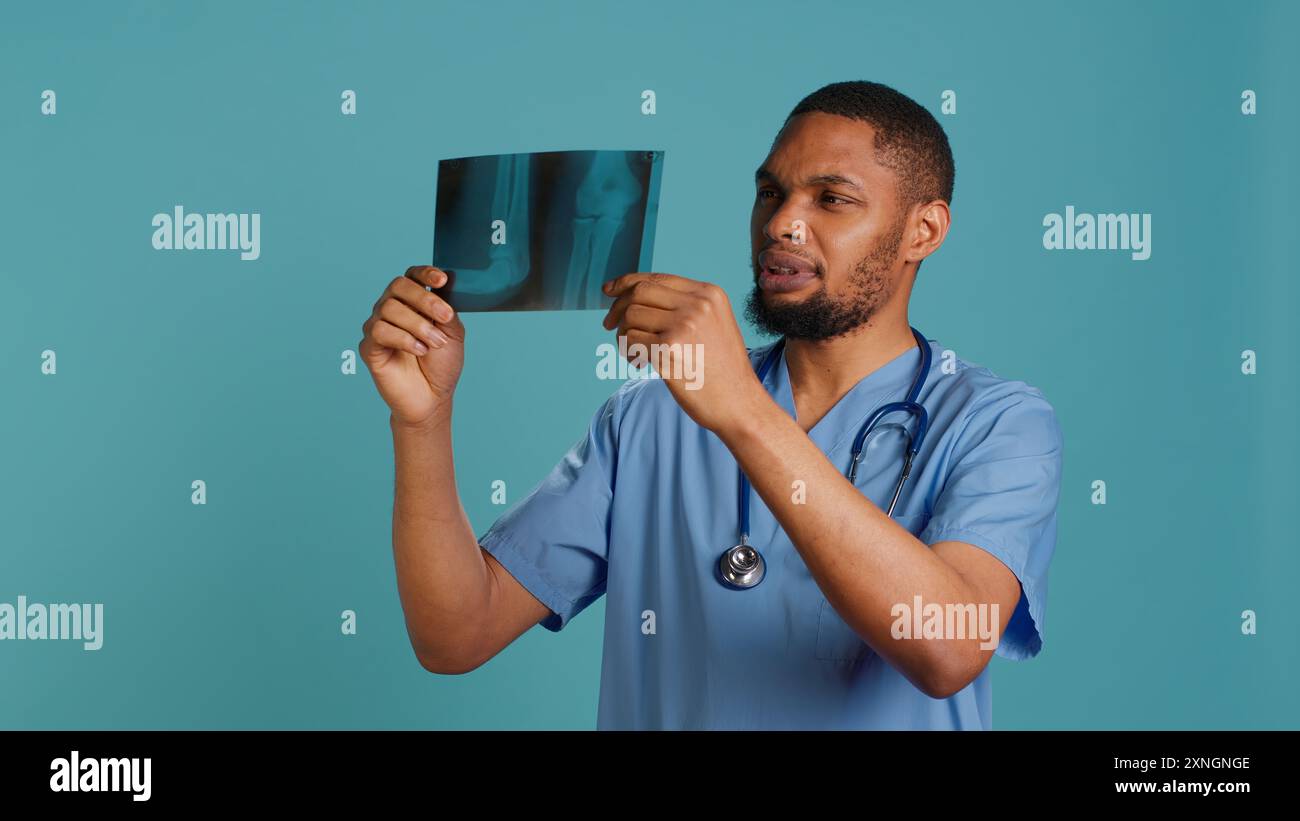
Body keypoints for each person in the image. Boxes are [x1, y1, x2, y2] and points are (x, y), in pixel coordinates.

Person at [359, 80, 1064, 730]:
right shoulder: (647, 419)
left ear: (924, 230)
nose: (783, 222)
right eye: (770, 193)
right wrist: (422, 421)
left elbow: (947, 647)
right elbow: (455, 634)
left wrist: (743, 411)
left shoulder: (996, 421)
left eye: (832, 198)